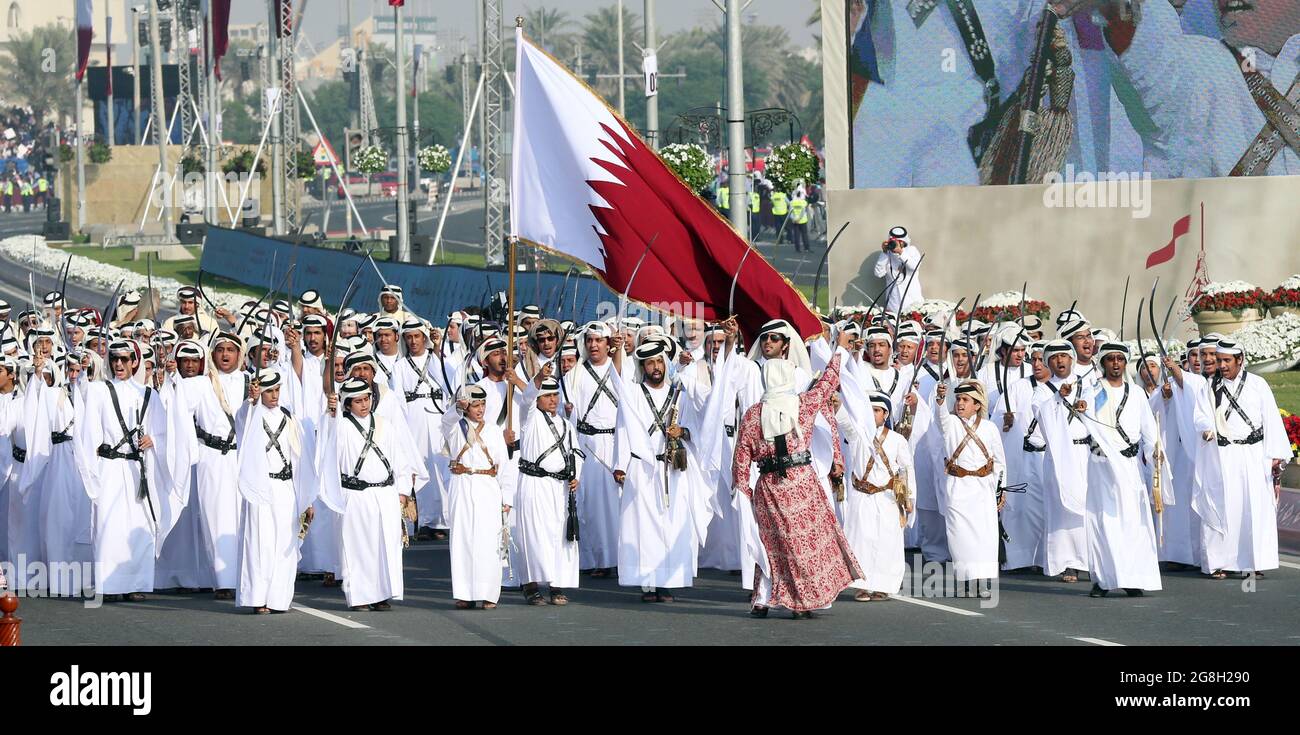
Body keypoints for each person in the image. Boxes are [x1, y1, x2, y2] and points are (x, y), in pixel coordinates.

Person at [732, 352, 859, 618]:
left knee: (771, 544)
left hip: (769, 485)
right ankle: (802, 601)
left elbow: (741, 455)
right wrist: (839, 353)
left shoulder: (754, 414)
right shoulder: (803, 404)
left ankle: (763, 600)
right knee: (804, 544)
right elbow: (828, 382)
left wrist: (743, 488)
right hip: (801, 483)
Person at [77, 340, 182, 602]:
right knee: (108, 525)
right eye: (114, 359)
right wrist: (91, 471)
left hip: (138, 467)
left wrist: (153, 440)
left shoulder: (148, 394)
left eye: (124, 359)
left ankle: (137, 582)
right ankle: (109, 583)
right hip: (110, 467)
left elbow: (164, 432)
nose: (118, 364)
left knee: (141, 525)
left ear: (135, 362)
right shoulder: (99, 390)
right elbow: (88, 433)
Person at [316, 377, 426, 611]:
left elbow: (400, 460)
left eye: (366, 399)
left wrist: (403, 492)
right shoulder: (341, 426)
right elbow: (326, 442)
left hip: (385, 493)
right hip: (356, 494)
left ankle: (381, 594)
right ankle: (360, 597)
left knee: (385, 546)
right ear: (348, 404)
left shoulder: (385, 424)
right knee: (358, 547)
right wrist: (330, 414)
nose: (364, 404)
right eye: (357, 401)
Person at [615, 339, 711, 603]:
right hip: (643, 469)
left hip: (674, 468)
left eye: (659, 362)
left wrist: (683, 431)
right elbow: (623, 429)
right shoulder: (633, 393)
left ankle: (666, 582)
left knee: (671, 525)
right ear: (643, 366)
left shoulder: (680, 392)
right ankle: (648, 583)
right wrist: (620, 466)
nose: (655, 367)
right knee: (645, 527)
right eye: (649, 363)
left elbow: (698, 429)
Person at [1195, 338, 1290, 579]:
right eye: (1219, 361)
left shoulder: (1258, 384)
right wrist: (1206, 428)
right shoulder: (1209, 386)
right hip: (1222, 454)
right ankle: (1219, 562)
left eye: (1227, 360)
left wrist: (1276, 455)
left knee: (1254, 508)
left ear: (1240, 360)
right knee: (1222, 505)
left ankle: (1254, 561)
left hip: (1253, 454)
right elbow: (1201, 415)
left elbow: (1271, 419)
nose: (1222, 365)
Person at [1075, 343, 1164, 597]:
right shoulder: (1092, 391)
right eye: (1110, 359)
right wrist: (1079, 407)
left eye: (1120, 359)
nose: (1115, 363)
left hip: (1129, 466)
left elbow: (1149, 430)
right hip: (1101, 465)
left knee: (1132, 522)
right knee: (1104, 522)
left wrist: (1155, 449)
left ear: (1125, 364)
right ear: (1103, 363)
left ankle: (1132, 578)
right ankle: (1103, 580)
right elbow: (1080, 414)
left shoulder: (1136, 393)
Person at [234, 368, 315, 614]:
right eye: (269, 391)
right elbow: (242, 420)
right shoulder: (250, 414)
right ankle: (258, 598)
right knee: (260, 542)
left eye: (277, 390)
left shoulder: (289, 418)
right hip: (261, 486)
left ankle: (279, 599)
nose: (274, 395)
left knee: (285, 543)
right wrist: (252, 400)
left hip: (285, 488)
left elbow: (300, 459)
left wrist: (307, 499)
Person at [563, 322, 626, 577]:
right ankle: (594, 560)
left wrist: (621, 353)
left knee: (615, 505)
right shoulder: (574, 374)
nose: (593, 345)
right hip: (585, 442)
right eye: (589, 340)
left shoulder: (620, 369)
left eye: (599, 340)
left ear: (608, 344)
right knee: (587, 503)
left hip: (614, 443)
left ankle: (618, 558)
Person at [514, 375, 583, 606]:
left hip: (560, 487)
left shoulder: (567, 425)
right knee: (534, 534)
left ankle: (556, 584)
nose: (552, 400)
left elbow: (577, 453)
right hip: (535, 484)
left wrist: (576, 476)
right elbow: (527, 398)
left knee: (558, 535)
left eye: (555, 395)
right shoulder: (530, 417)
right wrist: (539, 378)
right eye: (547, 395)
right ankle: (531, 585)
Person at [933, 379, 1005, 598]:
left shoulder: (990, 428)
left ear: (977, 404)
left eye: (966, 400)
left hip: (983, 488)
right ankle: (965, 580)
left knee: (985, 537)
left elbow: (999, 462)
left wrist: (1001, 489)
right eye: (958, 399)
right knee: (959, 536)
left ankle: (982, 581)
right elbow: (941, 417)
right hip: (958, 487)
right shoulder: (951, 424)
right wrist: (940, 399)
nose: (960, 404)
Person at [442, 385, 512, 609]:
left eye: (482, 404)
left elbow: (504, 466)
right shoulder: (456, 428)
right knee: (462, 540)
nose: (480, 409)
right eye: (474, 405)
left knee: (488, 541)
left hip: (487, 486)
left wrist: (506, 497)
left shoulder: (492, 430)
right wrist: (456, 409)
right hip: (461, 484)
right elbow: (446, 422)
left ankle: (489, 593)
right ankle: (464, 593)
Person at [843, 391, 915, 602]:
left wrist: (908, 497)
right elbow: (845, 424)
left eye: (876, 410)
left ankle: (883, 586)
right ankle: (862, 586)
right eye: (869, 410)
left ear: (885, 414)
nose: (872, 414)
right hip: (862, 496)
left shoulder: (897, 440)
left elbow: (906, 469)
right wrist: (838, 406)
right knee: (862, 541)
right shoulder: (858, 435)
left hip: (887, 498)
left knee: (887, 542)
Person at [1033, 339, 1090, 584]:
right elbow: (1043, 417)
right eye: (1054, 358)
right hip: (1058, 457)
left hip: (1085, 455)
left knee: (1090, 508)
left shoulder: (1086, 384)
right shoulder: (1042, 391)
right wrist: (1059, 398)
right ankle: (1068, 563)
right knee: (1062, 512)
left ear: (1071, 359)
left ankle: (1092, 560)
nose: (1060, 361)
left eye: (1064, 356)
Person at [872, 226, 924, 312]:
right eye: (894, 242)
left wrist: (900, 252)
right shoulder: (887, 254)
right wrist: (884, 253)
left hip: (913, 304)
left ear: (904, 241)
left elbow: (915, 267)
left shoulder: (912, 251)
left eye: (899, 242)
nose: (896, 244)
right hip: (893, 305)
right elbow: (878, 273)